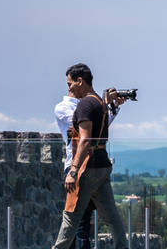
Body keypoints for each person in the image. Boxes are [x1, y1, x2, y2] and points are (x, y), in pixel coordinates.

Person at [52, 63, 128, 249]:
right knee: (111, 216)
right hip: (102, 164)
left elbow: (85, 139)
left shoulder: (86, 104)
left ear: (80, 81)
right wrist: (109, 105)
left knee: (71, 216)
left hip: (86, 166)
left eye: (70, 83)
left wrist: (74, 171)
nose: (69, 88)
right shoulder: (98, 104)